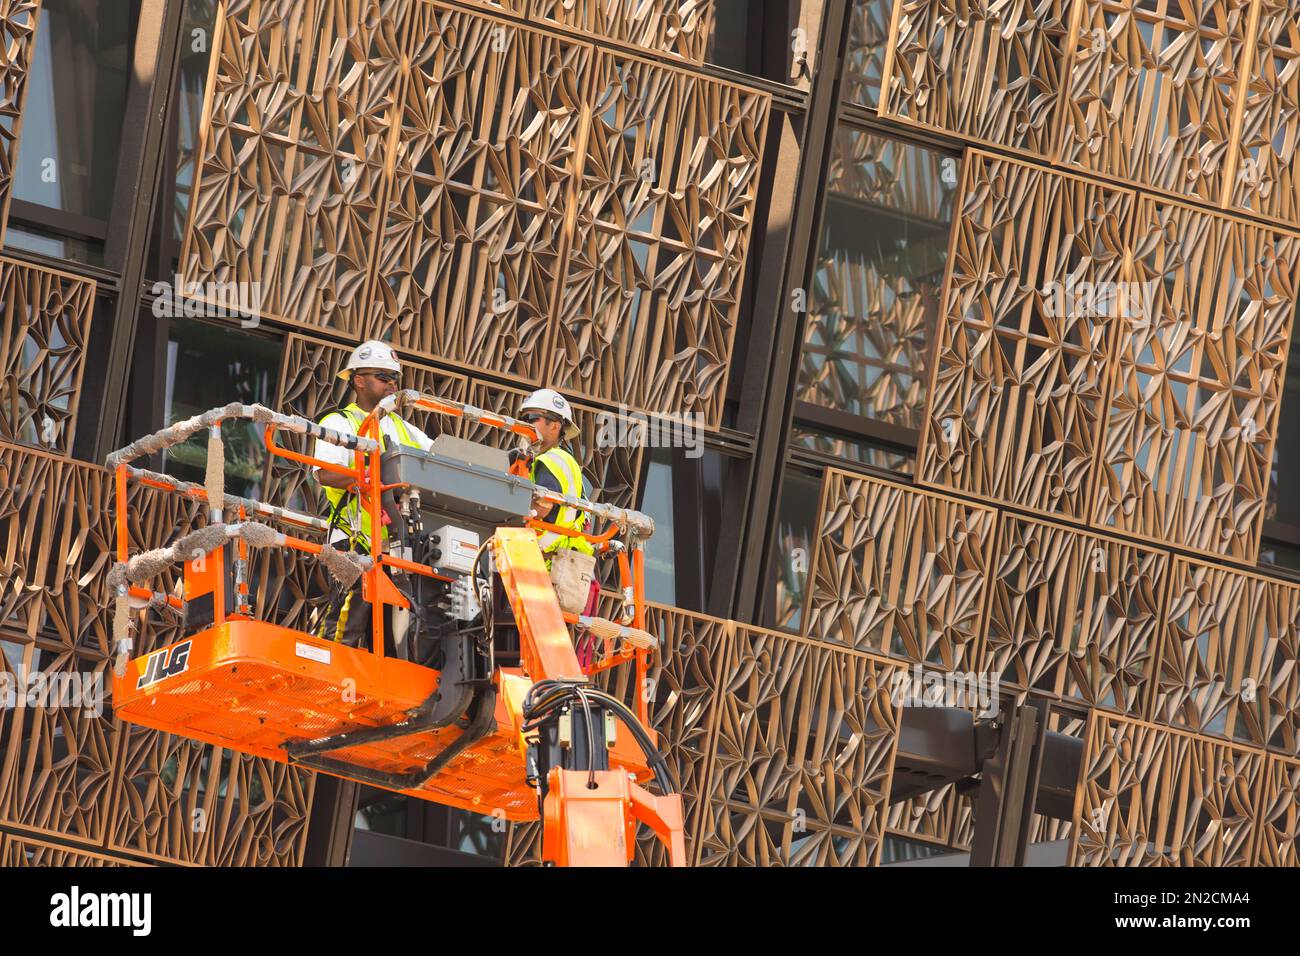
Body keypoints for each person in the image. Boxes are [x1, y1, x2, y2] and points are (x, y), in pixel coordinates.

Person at [312, 340, 434, 650]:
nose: (392, 384)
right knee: (344, 631)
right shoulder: (339, 423)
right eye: (383, 376)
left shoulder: (404, 428)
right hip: (354, 541)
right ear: (358, 380)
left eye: (395, 378)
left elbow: (436, 461)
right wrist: (370, 475)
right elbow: (325, 474)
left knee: (394, 641)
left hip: (395, 547)